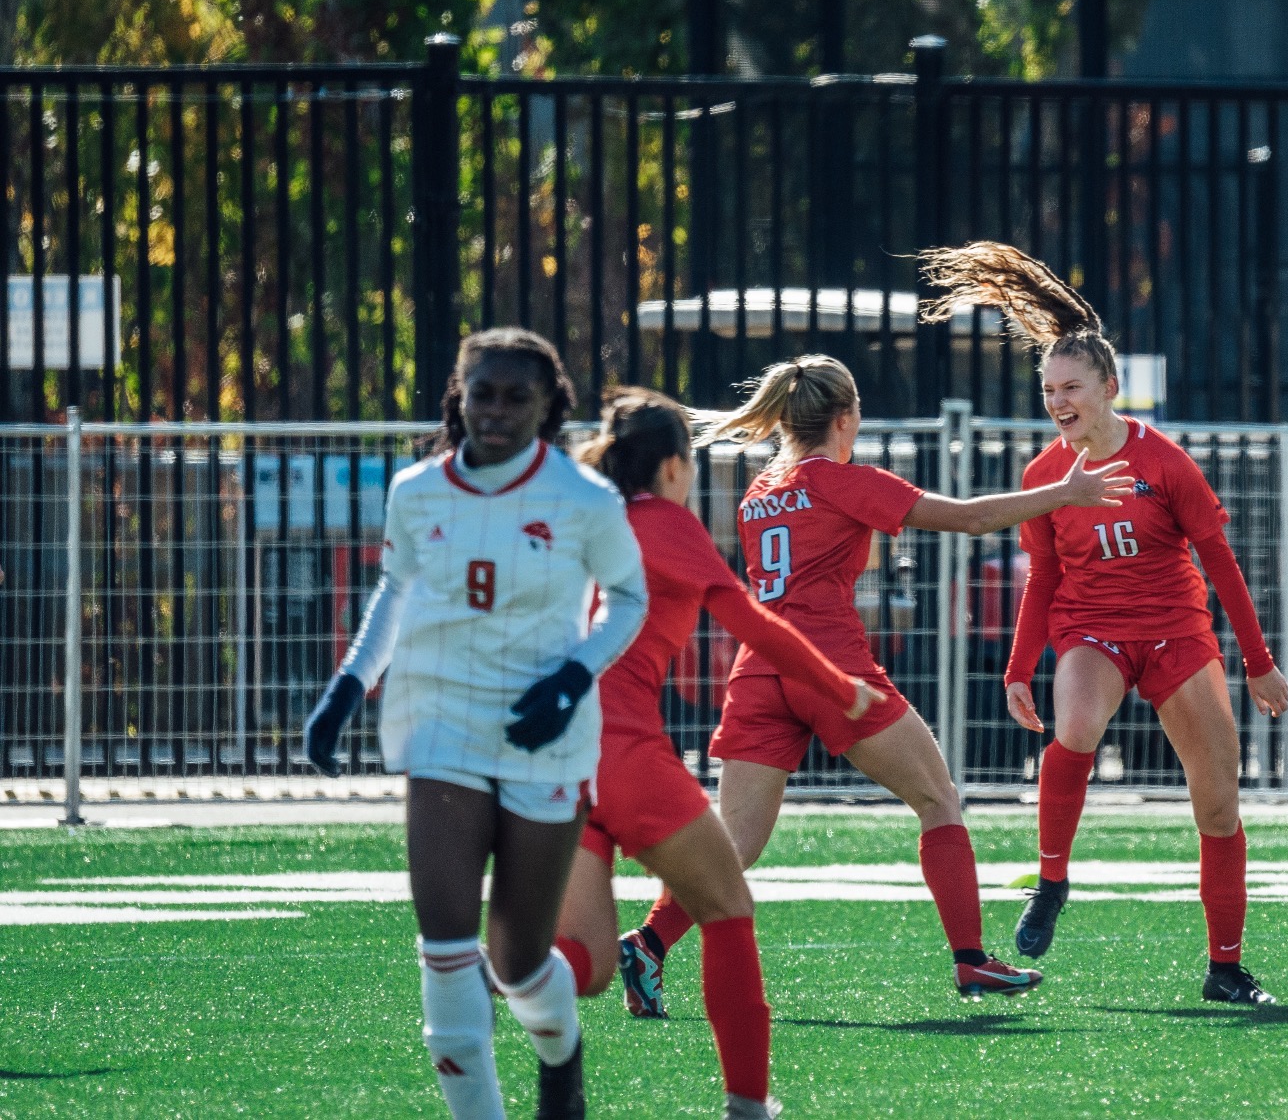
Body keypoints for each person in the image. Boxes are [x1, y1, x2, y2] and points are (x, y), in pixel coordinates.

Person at [617, 353, 1134, 1008]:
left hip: (760, 672)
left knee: (735, 842)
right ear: (844, 417)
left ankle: (649, 942)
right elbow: (970, 518)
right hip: (831, 668)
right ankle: (971, 960)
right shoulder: (844, 480)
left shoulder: (760, 492)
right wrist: (1063, 492)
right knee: (938, 799)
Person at [918, 241, 1288, 1005]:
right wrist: (1019, 667)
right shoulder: (1043, 476)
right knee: (1077, 726)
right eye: (1048, 390)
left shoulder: (1166, 464)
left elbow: (1220, 563)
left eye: (1071, 388)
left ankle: (1225, 967)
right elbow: (1044, 578)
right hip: (1092, 629)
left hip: (1176, 631)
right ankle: (1052, 880)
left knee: (1217, 801)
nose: (1058, 402)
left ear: (1110, 389)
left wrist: (1258, 661)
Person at [300, 327, 647, 1120]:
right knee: (448, 948)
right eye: (481, 393)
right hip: (441, 725)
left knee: (518, 964)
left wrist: (572, 678)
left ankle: (560, 1053)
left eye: (516, 397)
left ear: (547, 406)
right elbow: (395, 589)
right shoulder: (416, 490)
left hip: (543, 737)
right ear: (459, 398)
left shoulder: (584, 499)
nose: (496, 411)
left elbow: (629, 600)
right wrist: (349, 685)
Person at [553, 386, 881, 1120]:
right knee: (727, 904)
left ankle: (486, 973)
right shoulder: (667, 523)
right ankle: (747, 1105)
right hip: (622, 750)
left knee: (589, 963)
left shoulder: (590, 523)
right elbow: (756, 626)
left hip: (558, 757)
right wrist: (841, 687)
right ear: (674, 466)